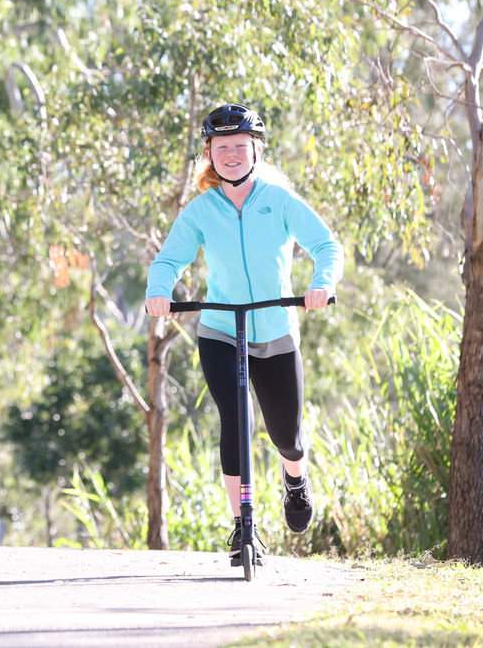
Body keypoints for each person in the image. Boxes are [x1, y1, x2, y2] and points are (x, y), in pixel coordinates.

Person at [144, 103, 342, 567]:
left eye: (239, 146)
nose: (231, 154)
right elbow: (168, 261)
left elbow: (325, 245)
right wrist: (159, 291)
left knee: (286, 435)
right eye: (221, 147)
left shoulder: (279, 200)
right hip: (219, 330)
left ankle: (295, 480)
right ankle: (243, 525)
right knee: (236, 421)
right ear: (209, 154)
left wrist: (321, 284)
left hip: (274, 328)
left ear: (255, 149)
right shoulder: (200, 210)